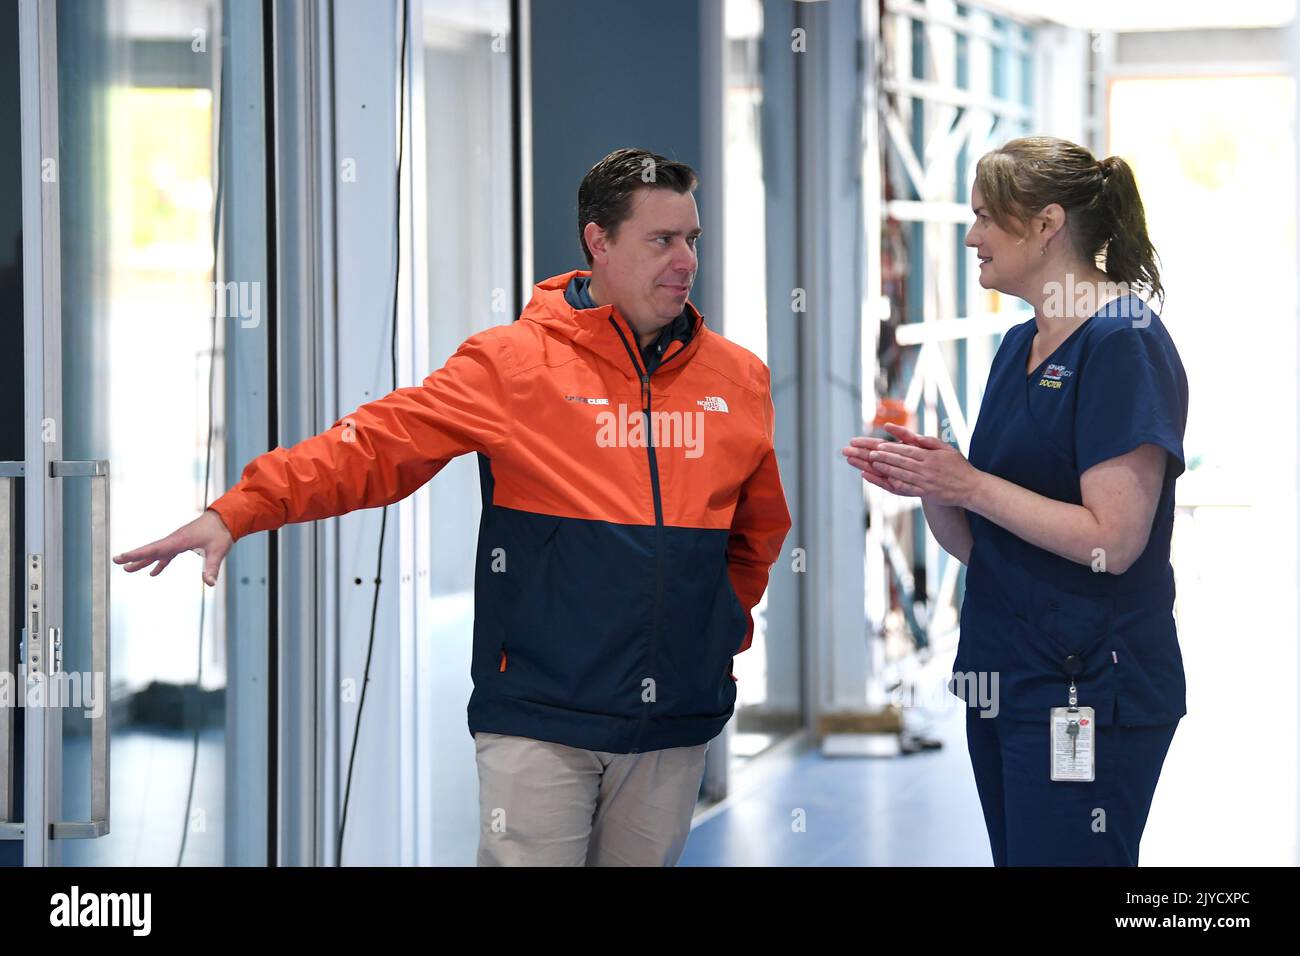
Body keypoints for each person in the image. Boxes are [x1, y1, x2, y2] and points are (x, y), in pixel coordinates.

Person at [114, 147, 792, 866]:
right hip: (540, 716)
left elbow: (757, 532)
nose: (685, 259)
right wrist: (239, 509)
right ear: (599, 241)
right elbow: (374, 445)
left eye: (692, 239)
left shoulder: (736, 376)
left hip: (672, 722)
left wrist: (710, 635)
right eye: (662, 240)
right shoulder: (513, 365)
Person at [843, 136, 1188, 866]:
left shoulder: (1120, 343)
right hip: (1005, 678)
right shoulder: (1018, 345)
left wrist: (970, 484)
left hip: (1090, 686)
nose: (971, 237)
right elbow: (986, 544)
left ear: (1045, 225)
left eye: (985, 218)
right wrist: (933, 483)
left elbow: (1113, 540)